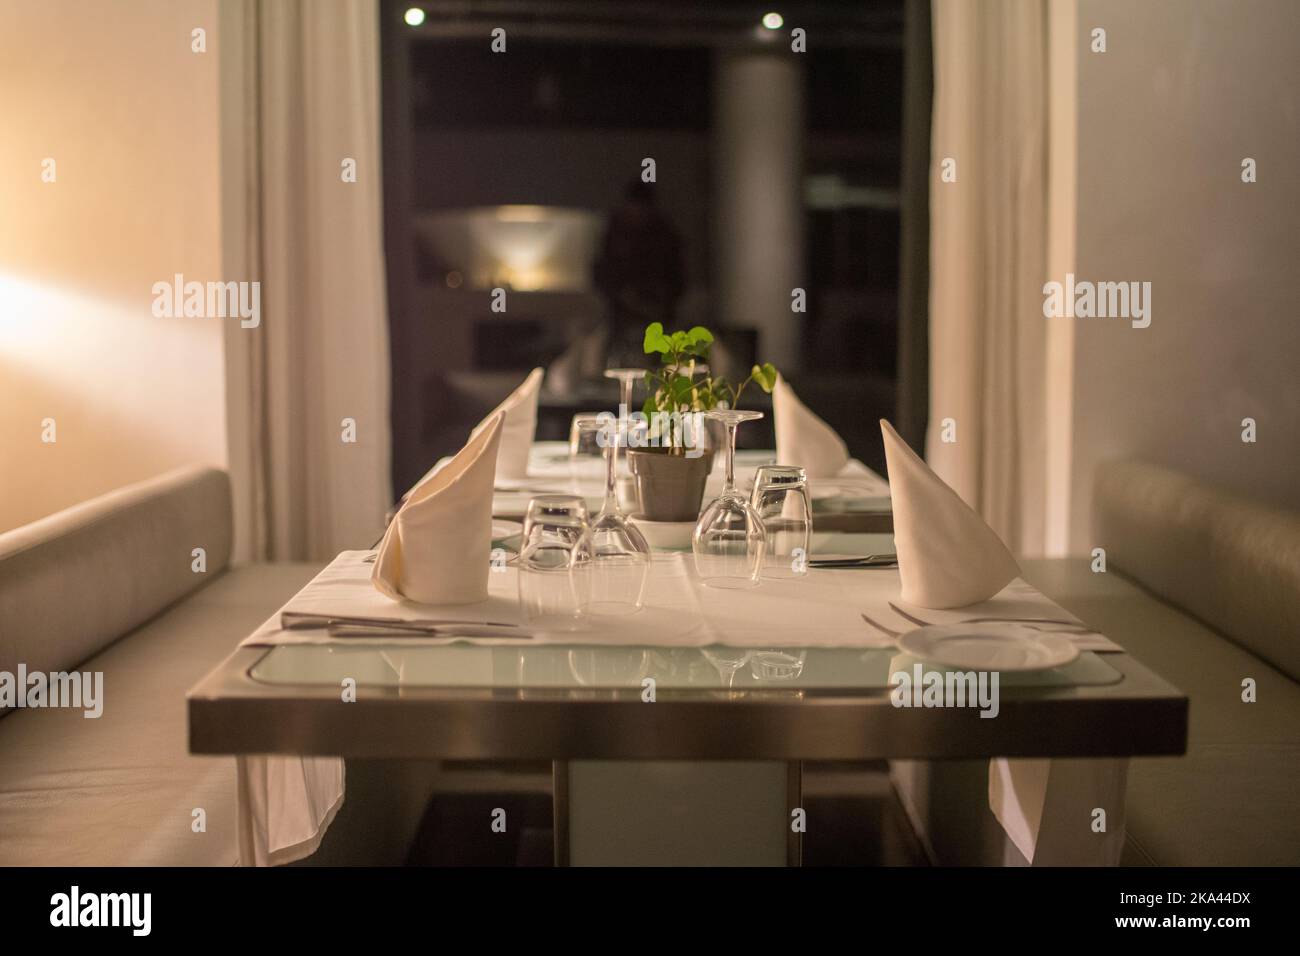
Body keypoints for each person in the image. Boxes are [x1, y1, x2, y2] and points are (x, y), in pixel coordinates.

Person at [592, 179, 686, 367]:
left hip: (658, 310)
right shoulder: (617, 233)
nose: (637, 214)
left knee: (661, 360)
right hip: (621, 311)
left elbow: (677, 274)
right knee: (616, 359)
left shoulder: (664, 235)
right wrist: (622, 294)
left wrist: (658, 298)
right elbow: (603, 271)